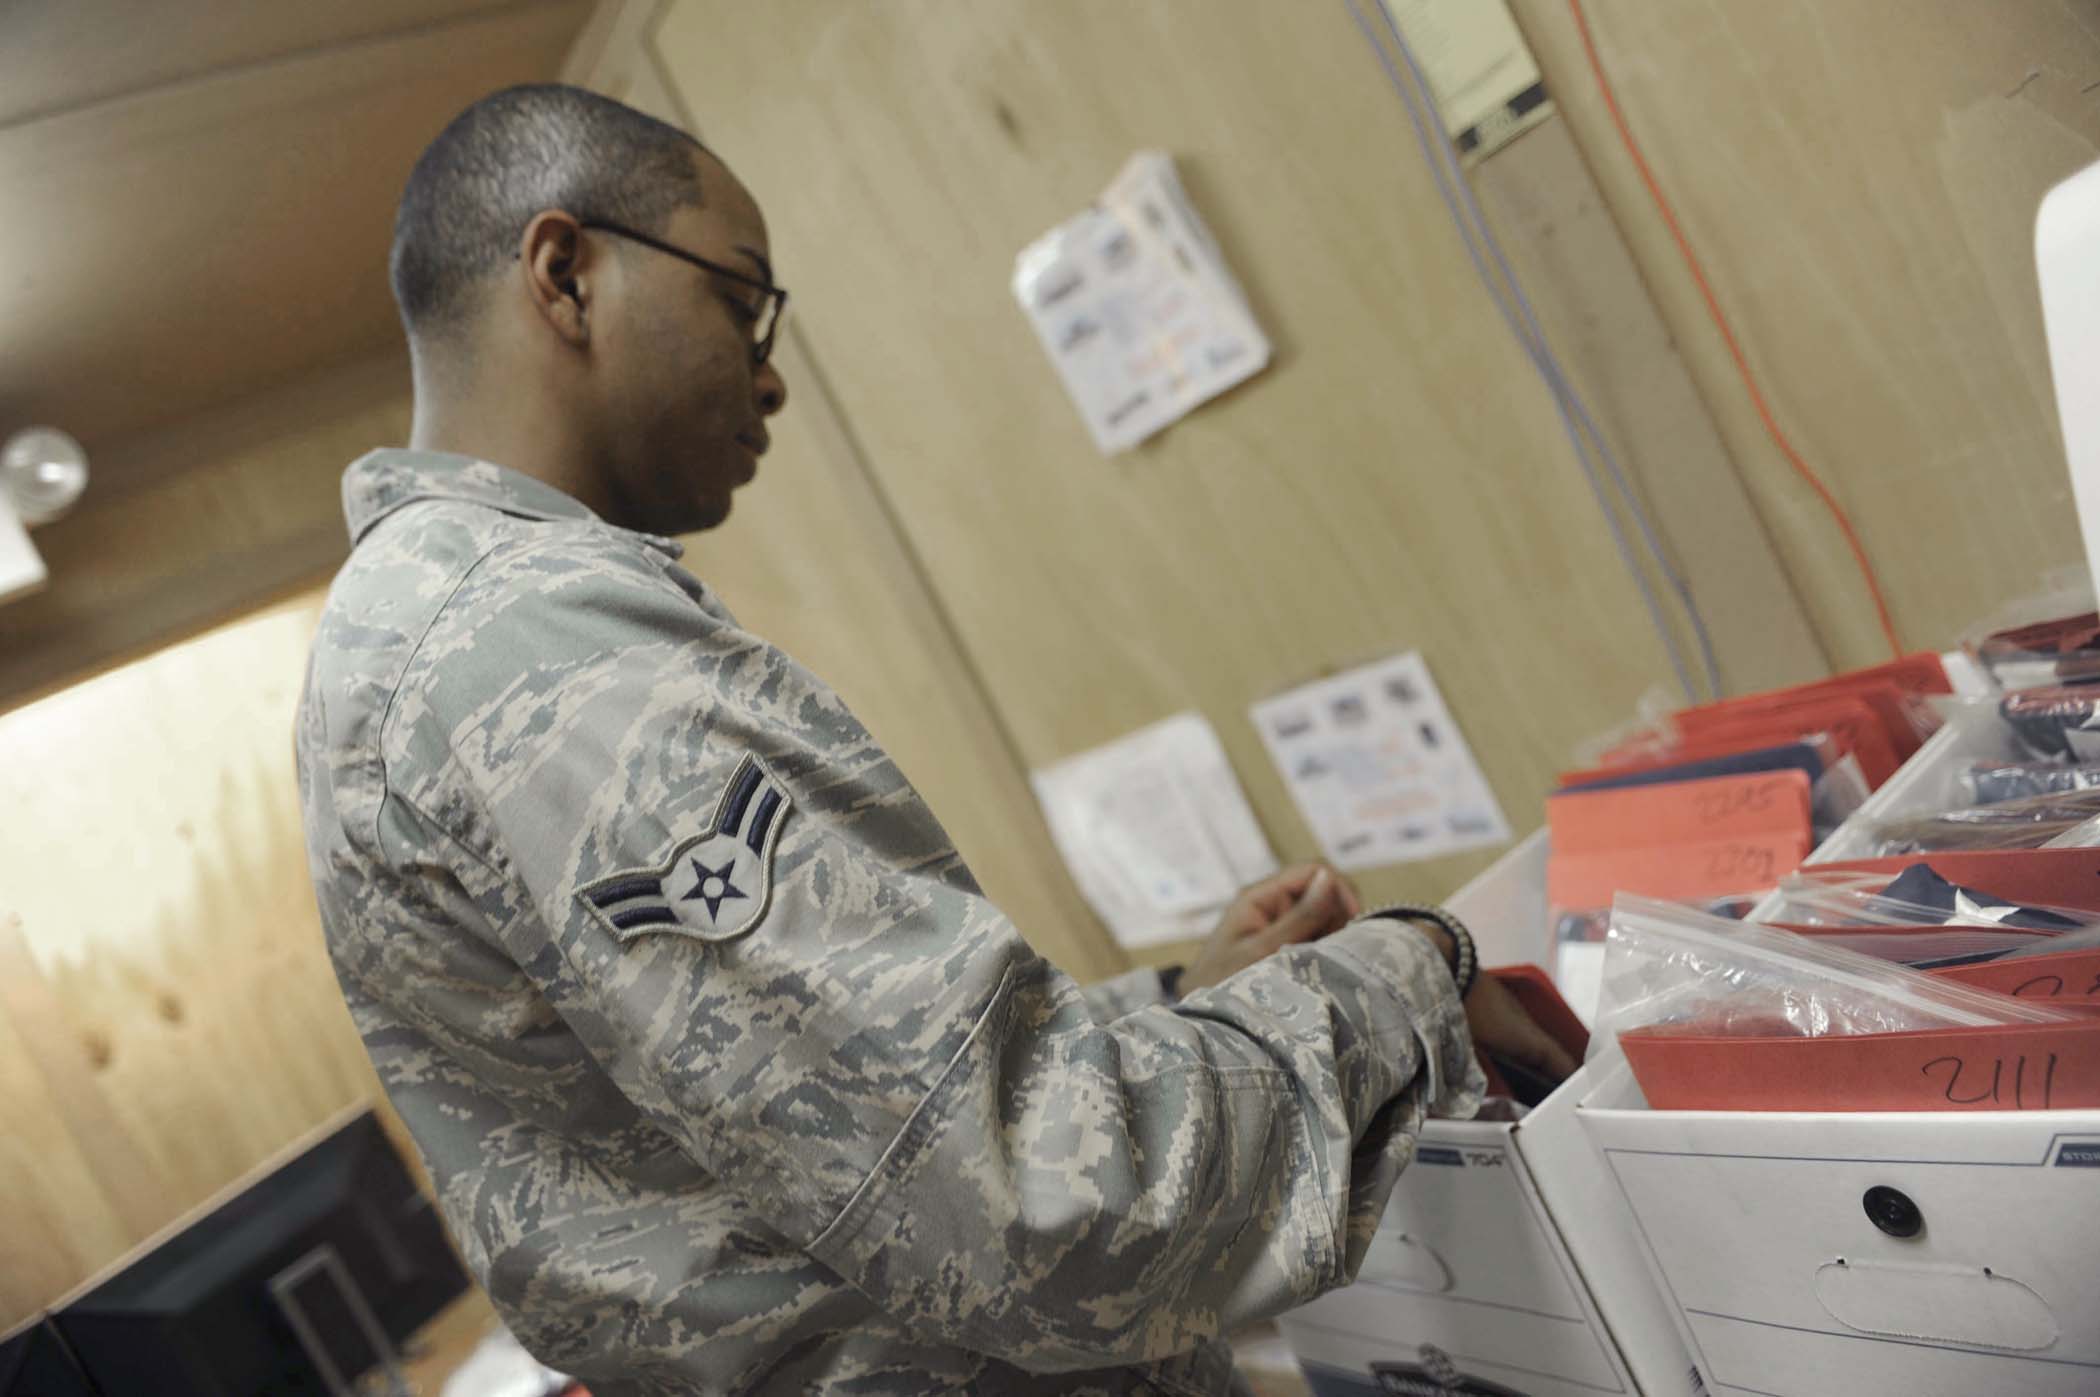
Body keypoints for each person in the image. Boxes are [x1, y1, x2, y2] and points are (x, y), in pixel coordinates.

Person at [295, 84, 1576, 1396]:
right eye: (743, 300)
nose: (772, 370)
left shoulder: (416, 630)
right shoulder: (525, 640)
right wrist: (1411, 975)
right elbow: (1042, 1207)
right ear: (566, 273)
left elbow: (789, 1137)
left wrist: (1192, 1012)